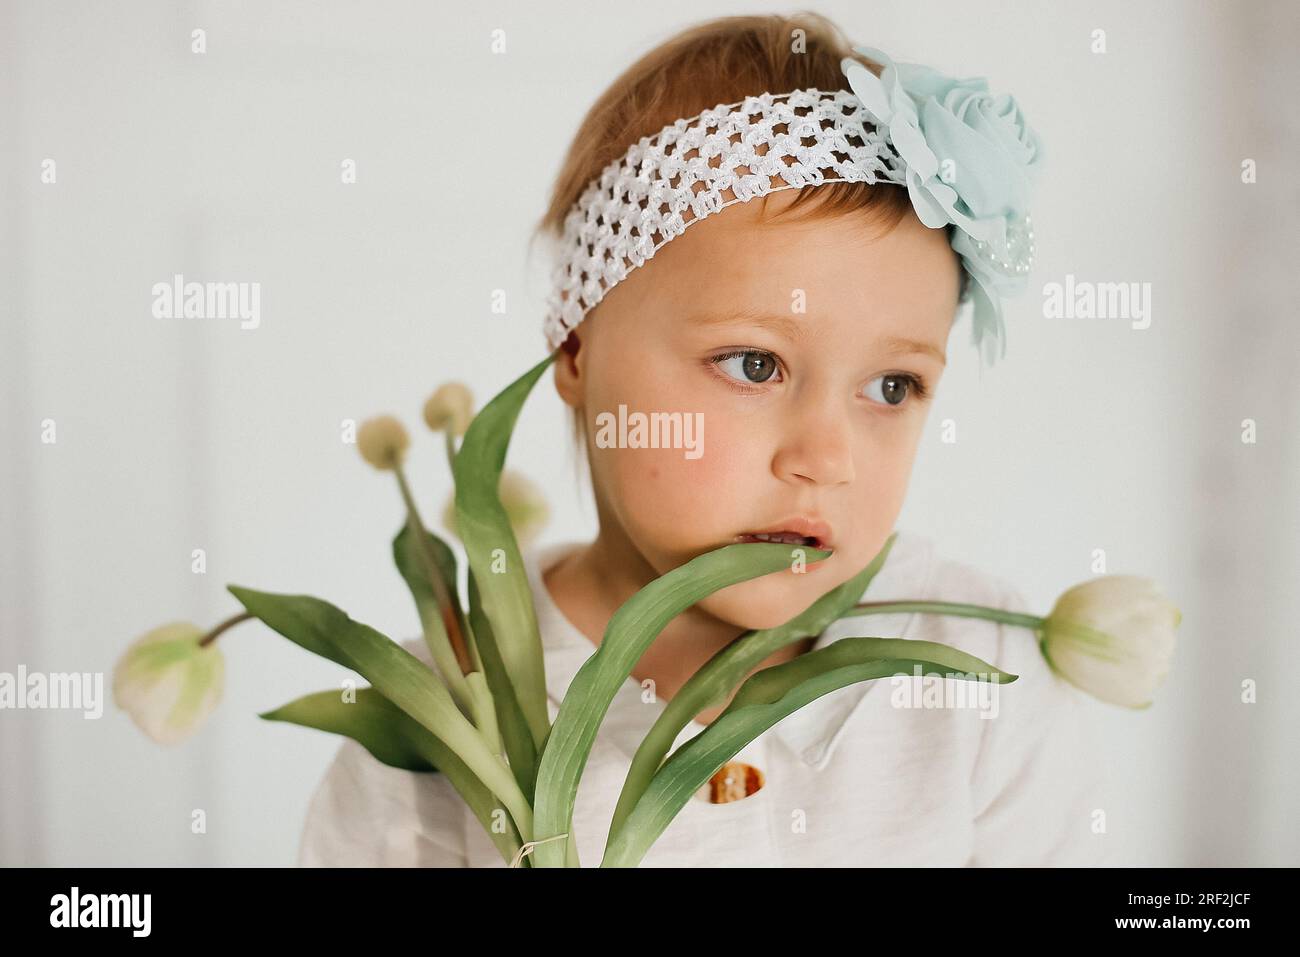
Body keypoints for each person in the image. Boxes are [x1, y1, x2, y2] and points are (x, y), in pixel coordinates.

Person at [298, 12, 1109, 867]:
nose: (826, 459)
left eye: (891, 387)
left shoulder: (983, 676)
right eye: (756, 364)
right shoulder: (434, 716)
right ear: (575, 349)